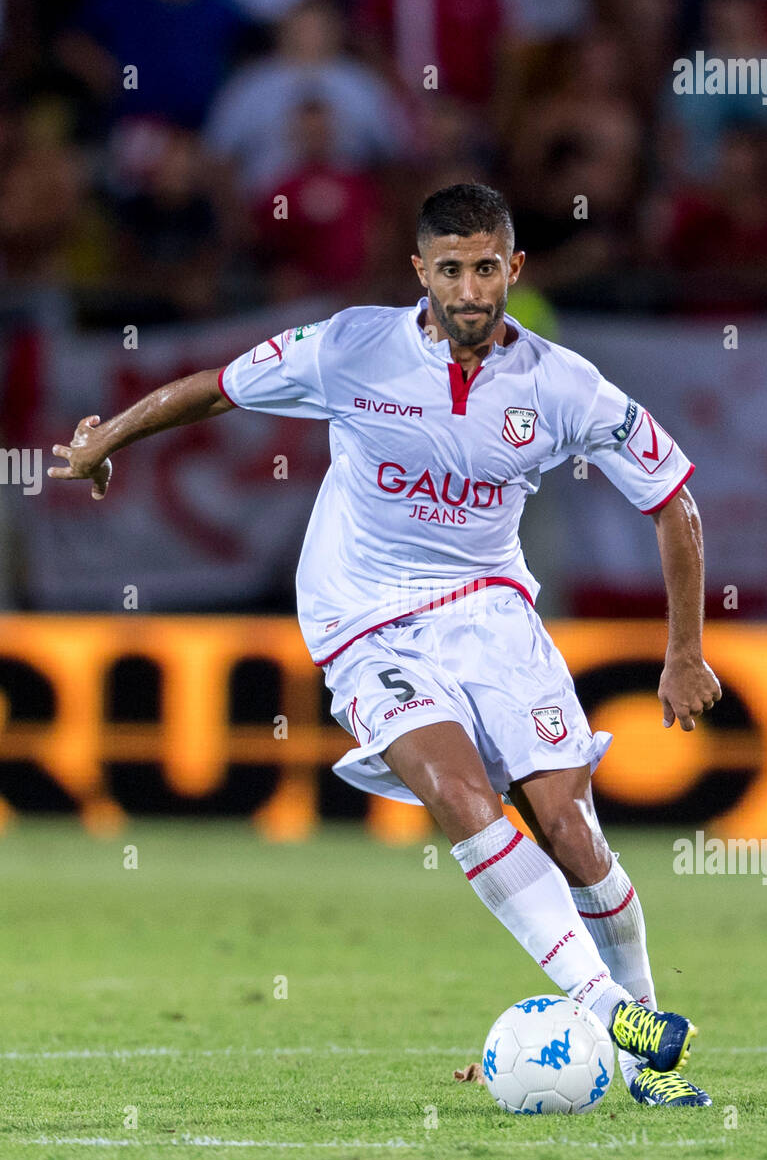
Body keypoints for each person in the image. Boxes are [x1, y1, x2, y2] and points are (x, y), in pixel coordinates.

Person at [49, 183, 721, 1107]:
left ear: (513, 270)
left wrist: (683, 651)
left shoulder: (561, 384)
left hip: (491, 612)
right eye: (450, 270)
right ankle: (610, 1011)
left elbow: (671, 496)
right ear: (421, 273)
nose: (470, 289)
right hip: (364, 619)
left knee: (570, 833)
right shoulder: (351, 346)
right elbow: (216, 388)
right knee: (455, 791)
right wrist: (106, 439)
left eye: (486, 268)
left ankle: (656, 1062)